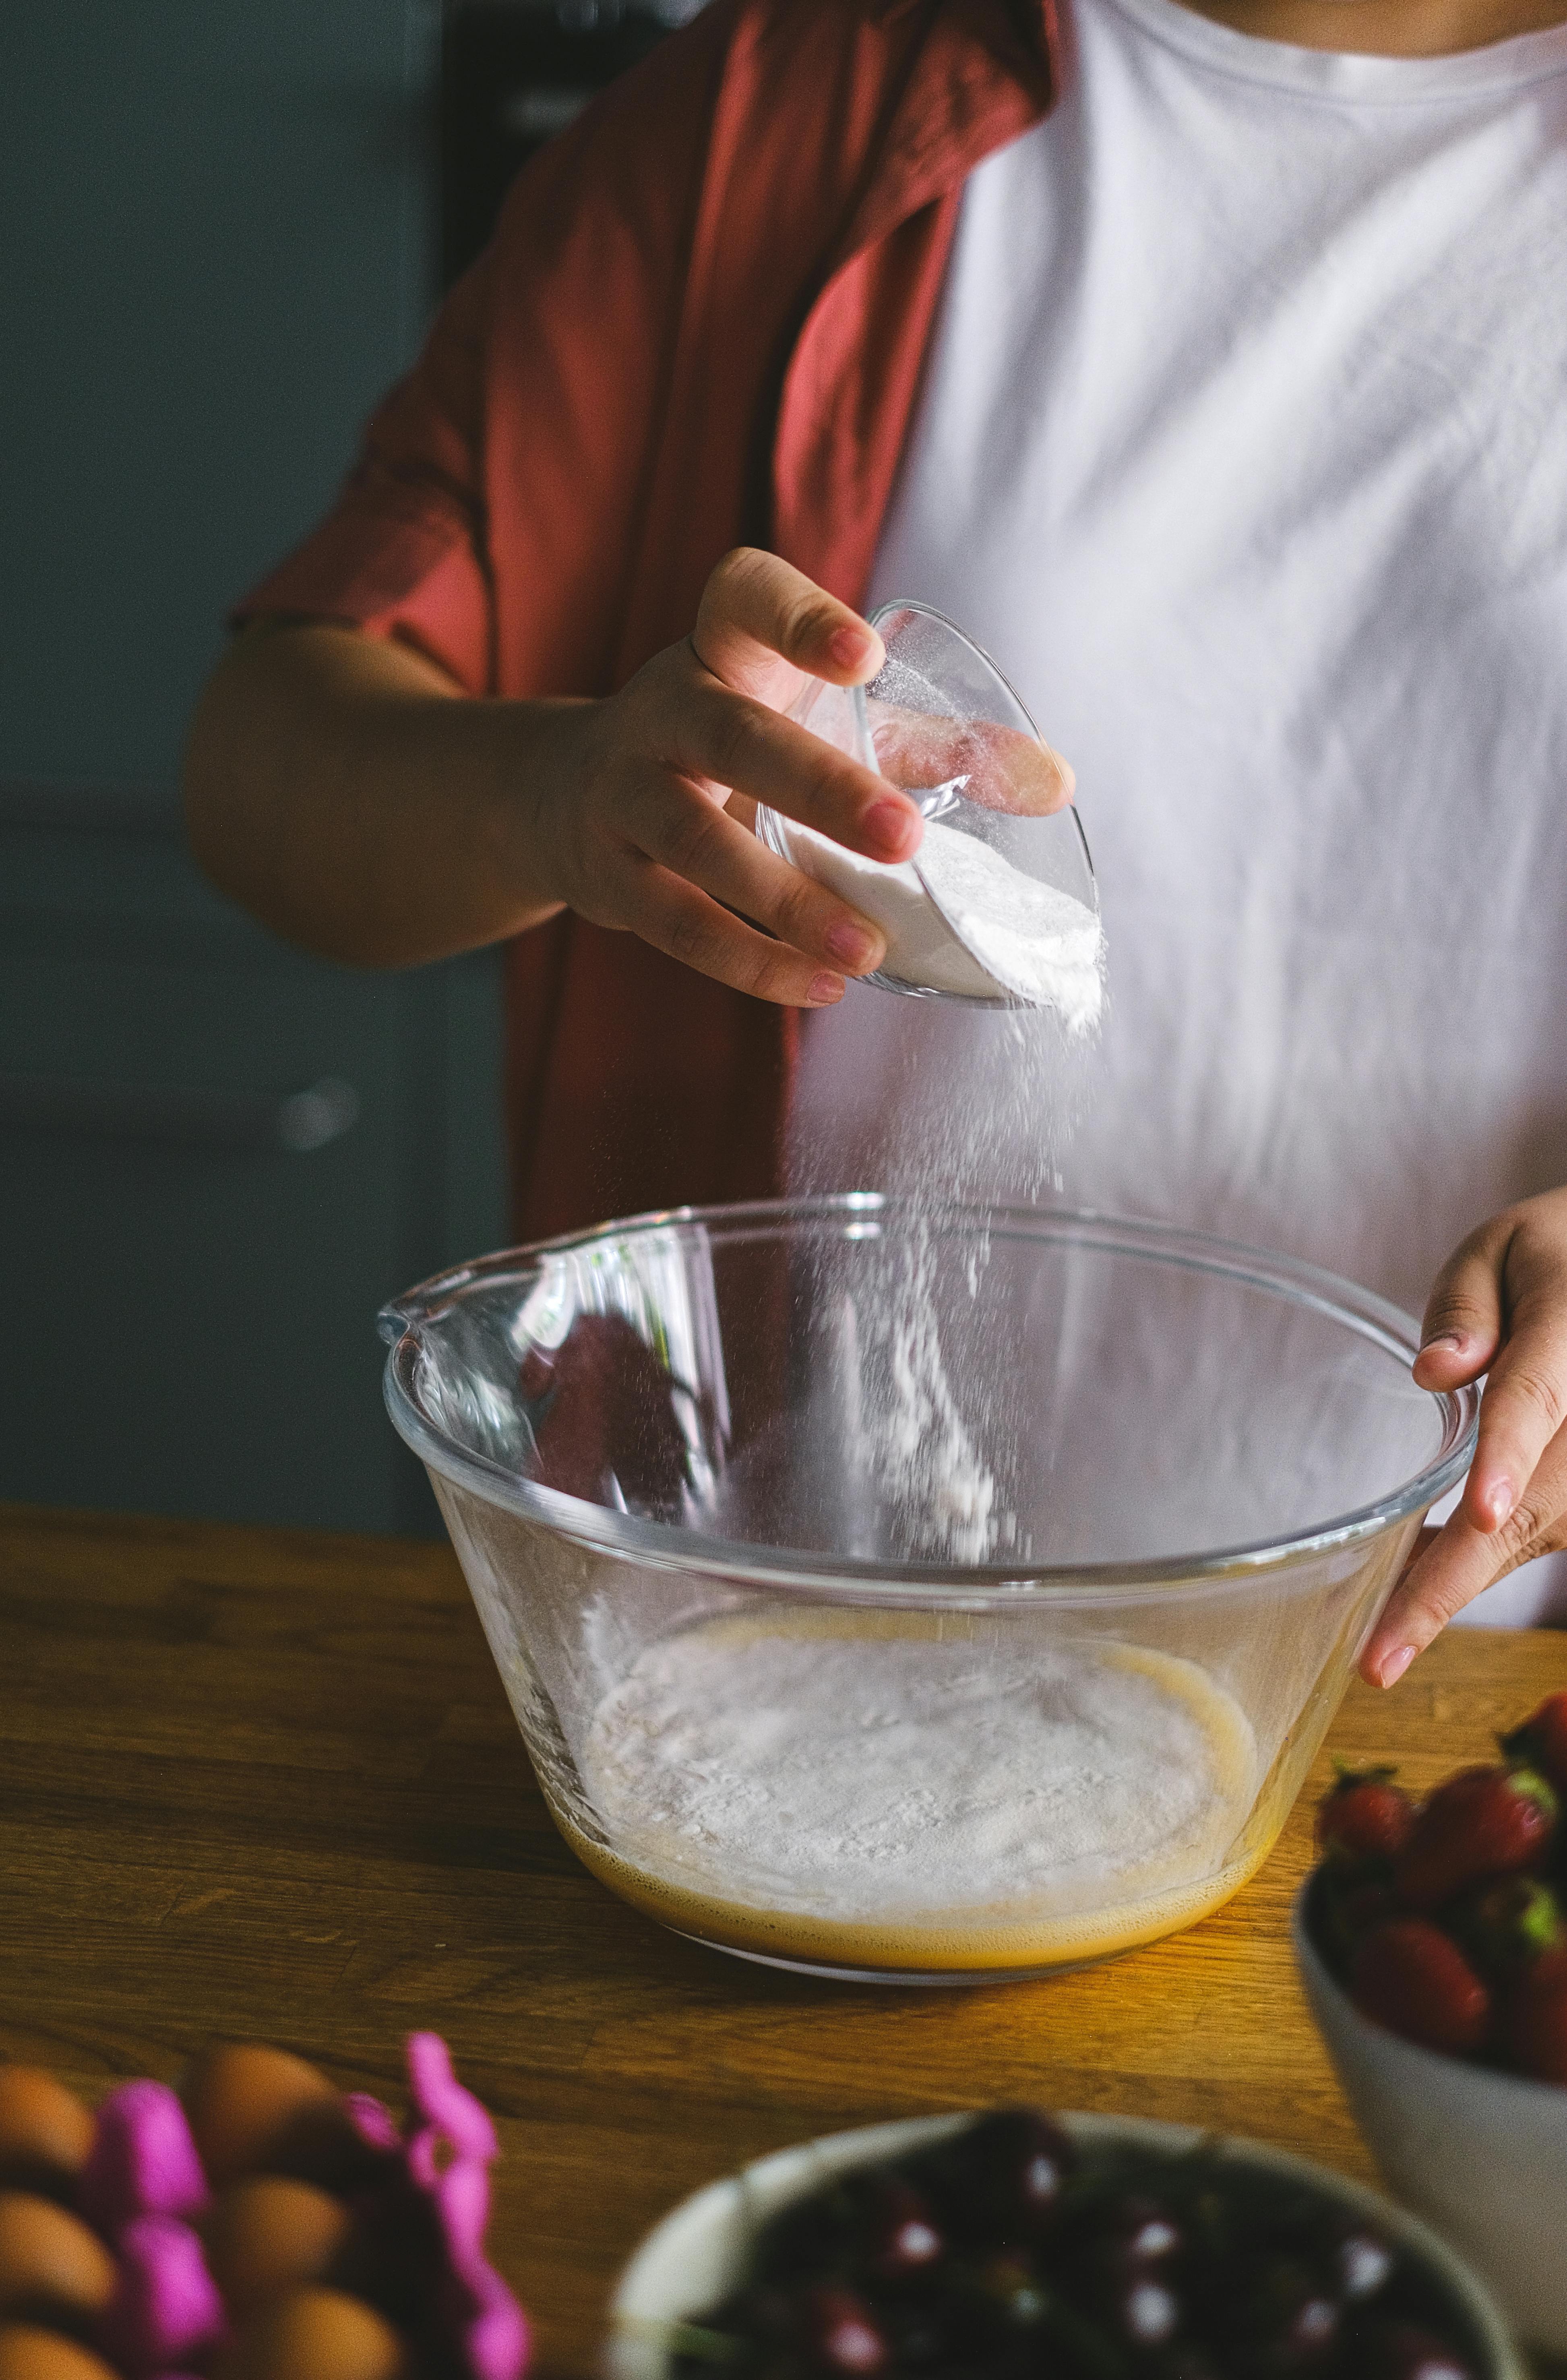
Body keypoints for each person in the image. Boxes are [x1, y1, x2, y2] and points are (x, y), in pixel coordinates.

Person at [184, 0, 1567, 1685]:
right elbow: (263, 762)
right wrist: (560, 795)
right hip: (749, 1645)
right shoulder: (795, 103)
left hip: (1446, 1695)